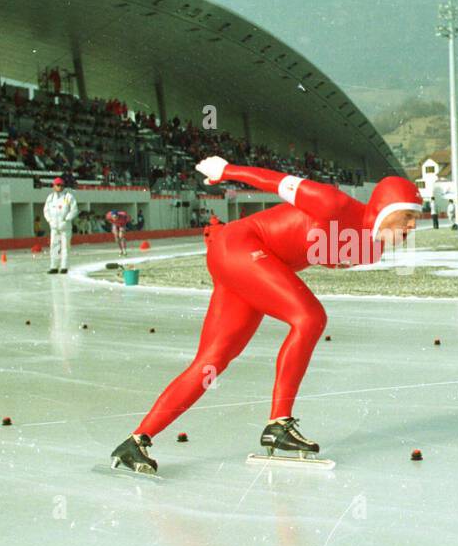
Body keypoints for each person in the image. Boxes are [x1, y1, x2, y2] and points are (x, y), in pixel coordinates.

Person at [109, 156, 423, 474]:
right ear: (385, 207)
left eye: (416, 220)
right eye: (407, 217)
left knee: (211, 361)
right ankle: (279, 423)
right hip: (242, 247)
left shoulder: (372, 249)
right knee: (310, 317)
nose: (413, 227)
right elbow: (278, 181)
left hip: (251, 262)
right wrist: (227, 171)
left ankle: (135, 442)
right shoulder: (334, 204)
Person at [42, 176, 78, 274]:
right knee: (54, 246)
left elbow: (74, 210)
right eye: (57, 185)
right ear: (53, 186)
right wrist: (49, 221)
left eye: (62, 185)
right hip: (54, 226)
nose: (60, 187)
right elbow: (46, 210)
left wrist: (67, 219)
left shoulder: (68, 196)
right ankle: (54, 266)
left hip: (65, 226)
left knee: (65, 246)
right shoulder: (50, 197)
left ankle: (64, 267)